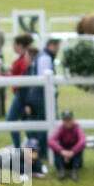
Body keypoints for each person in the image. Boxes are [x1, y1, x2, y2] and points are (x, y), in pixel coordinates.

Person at [21, 36, 60, 166]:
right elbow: (44, 78)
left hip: (38, 95)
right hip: (42, 95)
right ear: (51, 45)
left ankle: (40, 152)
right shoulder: (45, 57)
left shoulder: (44, 56)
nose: (58, 49)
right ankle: (42, 152)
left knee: (43, 124)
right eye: (56, 46)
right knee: (45, 124)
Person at [5, 34, 34, 147]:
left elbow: (22, 78)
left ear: (19, 45)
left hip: (22, 95)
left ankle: (17, 146)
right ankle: (33, 146)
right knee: (26, 122)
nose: (13, 47)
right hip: (22, 94)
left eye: (14, 45)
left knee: (11, 119)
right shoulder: (22, 59)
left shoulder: (22, 61)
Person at [48, 108, 86, 181]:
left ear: (73, 120)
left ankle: (75, 171)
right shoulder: (61, 129)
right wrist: (62, 151)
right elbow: (50, 141)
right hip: (63, 155)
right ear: (63, 121)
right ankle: (61, 171)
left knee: (80, 149)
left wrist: (72, 151)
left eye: (69, 119)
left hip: (74, 155)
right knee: (56, 150)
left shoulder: (77, 128)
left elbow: (82, 141)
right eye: (65, 120)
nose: (67, 122)